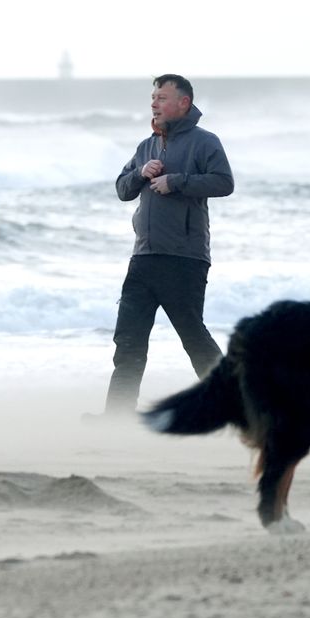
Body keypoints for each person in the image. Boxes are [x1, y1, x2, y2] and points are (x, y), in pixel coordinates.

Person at [85, 74, 234, 422]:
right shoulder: (146, 145)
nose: (154, 103)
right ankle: (117, 416)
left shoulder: (205, 142)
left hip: (184, 258)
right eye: (153, 96)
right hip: (143, 258)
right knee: (128, 343)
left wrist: (177, 182)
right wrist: (141, 172)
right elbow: (122, 189)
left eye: (162, 97)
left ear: (183, 103)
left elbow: (225, 182)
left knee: (193, 337)